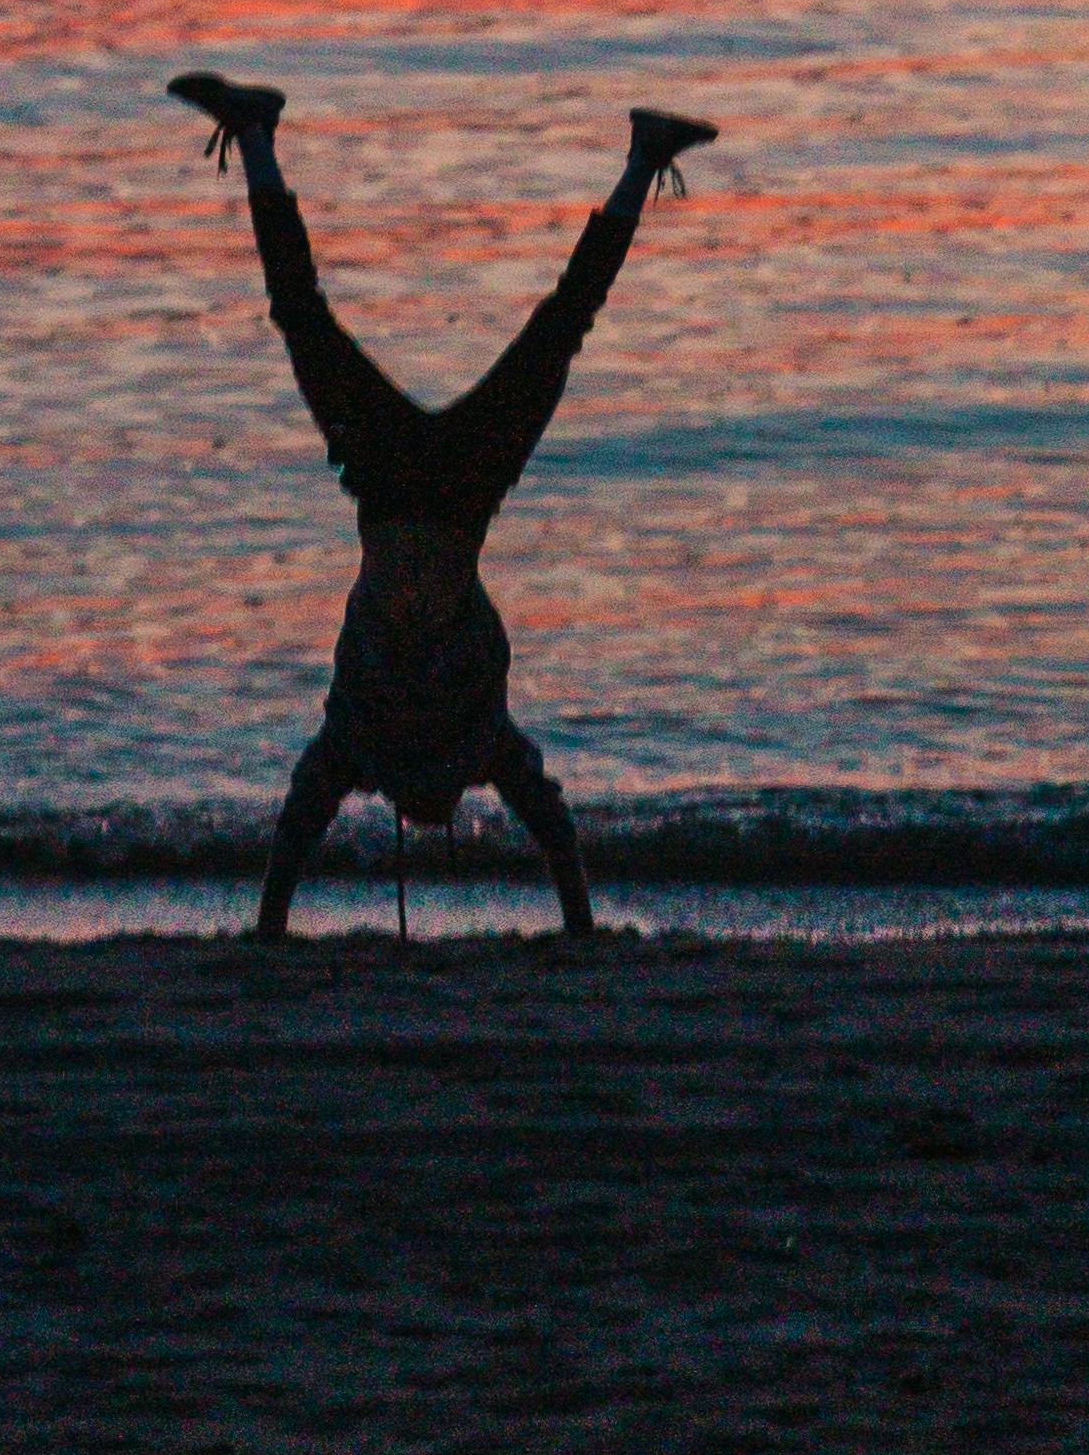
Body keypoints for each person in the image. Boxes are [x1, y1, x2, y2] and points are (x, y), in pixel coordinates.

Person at [168, 76, 715, 939]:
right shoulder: (458, 743)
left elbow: (301, 827)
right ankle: (643, 157)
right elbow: (549, 829)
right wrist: (577, 925)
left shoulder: (381, 742)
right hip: (450, 488)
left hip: (409, 481)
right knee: (518, 323)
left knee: (524, 322)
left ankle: (260, 132)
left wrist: (270, 929)